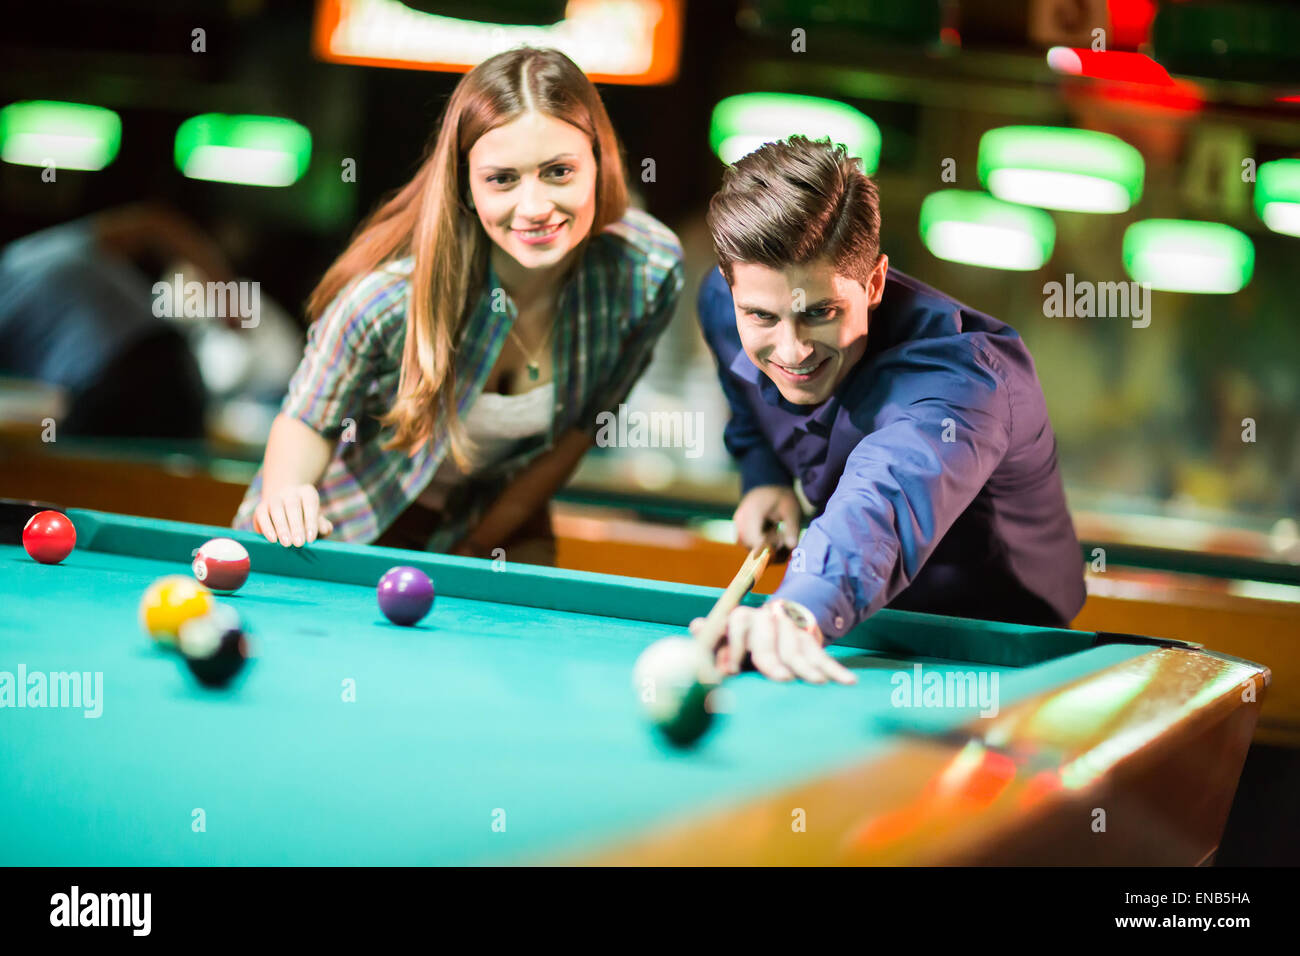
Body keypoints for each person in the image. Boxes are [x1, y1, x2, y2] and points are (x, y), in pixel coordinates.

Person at [232, 48, 684, 563]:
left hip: (498, 523)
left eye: (559, 171)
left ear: (599, 163)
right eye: (502, 178)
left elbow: (583, 429)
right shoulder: (387, 299)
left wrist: (477, 544)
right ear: (466, 186)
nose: (534, 208)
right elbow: (309, 419)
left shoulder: (646, 273)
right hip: (343, 524)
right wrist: (288, 492)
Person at [695, 136, 1085, 684]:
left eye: (821, 312)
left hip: (992, 651)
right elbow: (746, 396)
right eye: (761, 316)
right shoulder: (722, 303)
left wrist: (799, 607)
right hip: (851, 628)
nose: (791, 349)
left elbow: (885, 498)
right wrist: (765, 474)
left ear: (874, 282)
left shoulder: (963, 381)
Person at [0, 203, 230, 438]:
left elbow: (154, 225)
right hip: (176, 365)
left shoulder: (19, 271)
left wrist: (227, 297)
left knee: (78, 467)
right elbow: (155, 225)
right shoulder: (30, 253)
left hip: (128, 381)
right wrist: (227, 296)